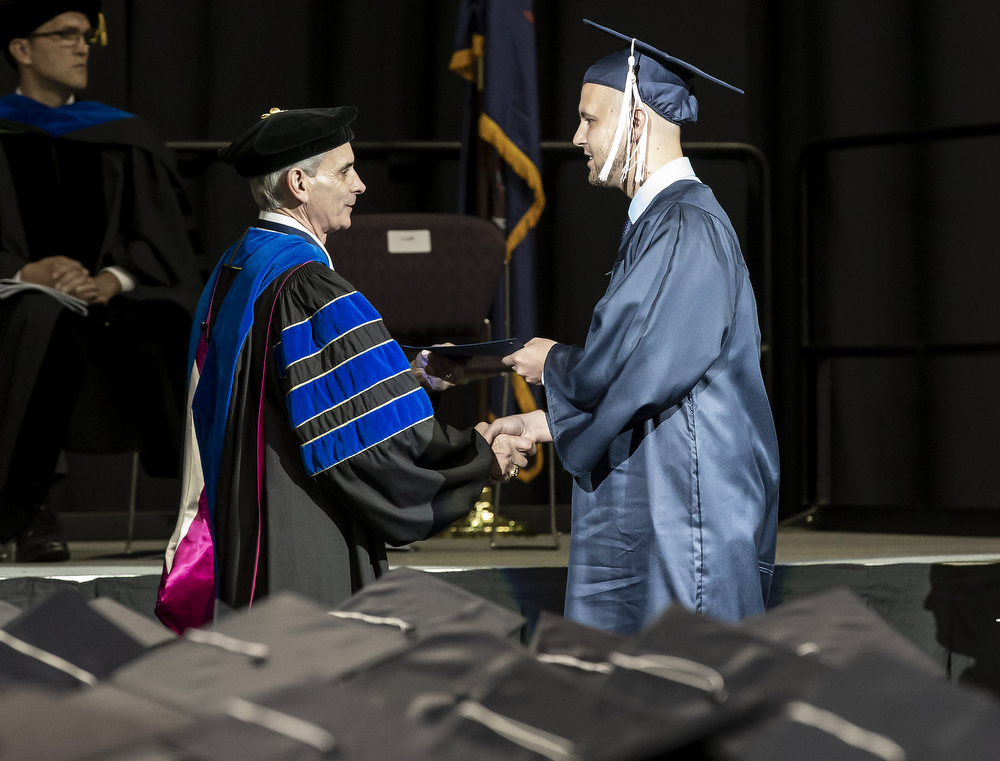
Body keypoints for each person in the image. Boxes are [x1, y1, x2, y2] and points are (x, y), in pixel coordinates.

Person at [155, 107, 533, 633]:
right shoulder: (308, 286)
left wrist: (414, 376)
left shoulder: (239, 263)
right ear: (299, 183)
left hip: (245, 511)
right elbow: (368, 442)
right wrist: (476, 459)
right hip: (304, 524)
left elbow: (302, 392)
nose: (360, 184)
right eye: (344, 170)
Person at [489, 21, 780, 635]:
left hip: (687, 520)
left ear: (638, 121)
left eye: (590, 120)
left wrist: (552, 364)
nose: (576, 138)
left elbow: (633, 366)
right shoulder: (662, 224)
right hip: (665, 505)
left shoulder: (685, 228)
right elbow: (648, 380)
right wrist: (539, 426)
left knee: (683, 694)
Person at [0, 0, 202, 561]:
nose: (81, 46)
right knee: (42, 320)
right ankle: (24, 509)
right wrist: (25, 273)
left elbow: (161, 241)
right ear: (21, 49)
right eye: (65, 34)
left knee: (169, 323)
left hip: (107, 300)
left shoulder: (122, 137)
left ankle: (199, 507)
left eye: (86, 36)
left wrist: (114, 278)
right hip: (16, 303)